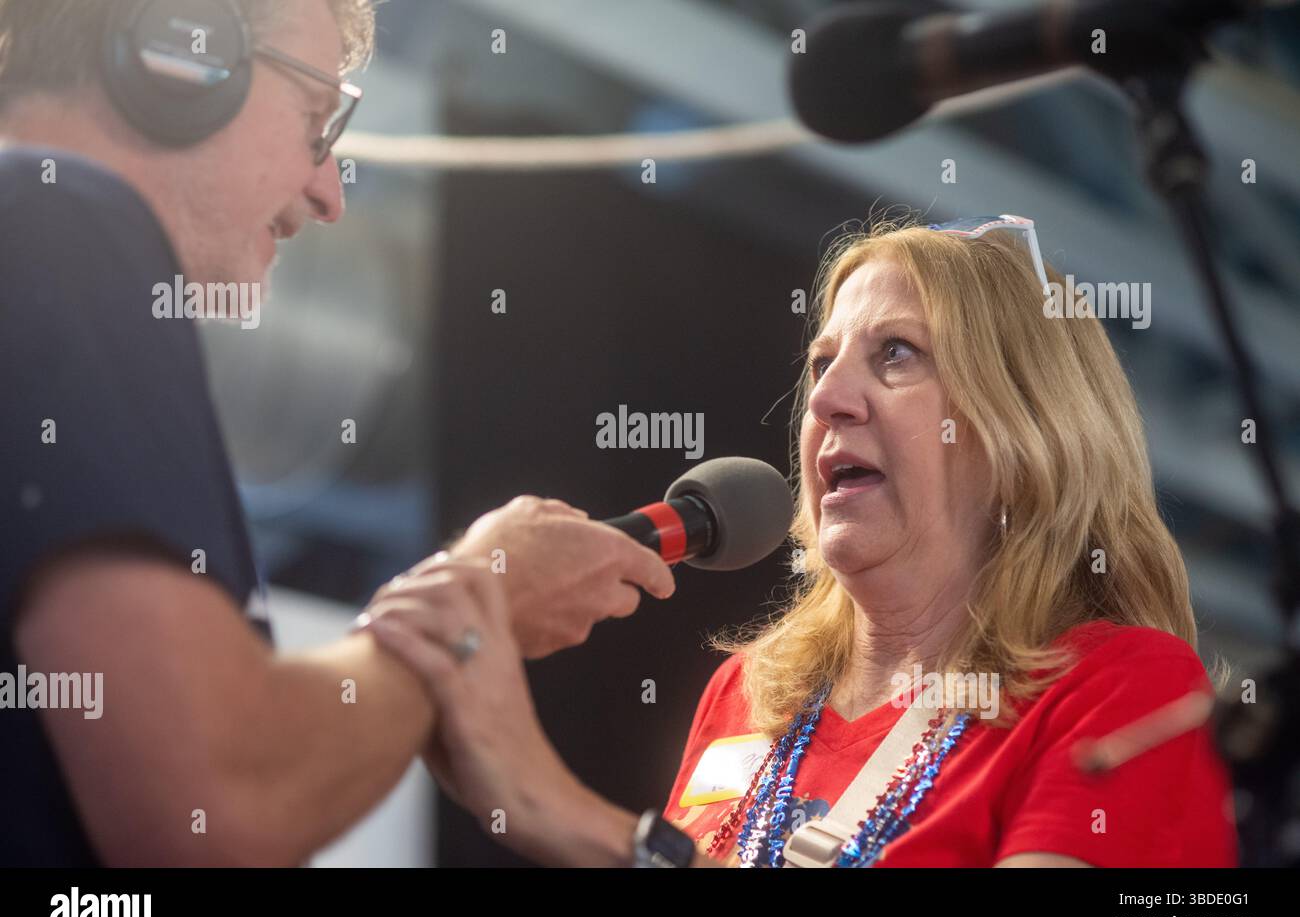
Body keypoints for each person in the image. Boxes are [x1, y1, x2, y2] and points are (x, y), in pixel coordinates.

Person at [0, 0, 674, 866]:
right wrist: (481, 602)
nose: (328, 194)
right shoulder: (66, 223)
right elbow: (223, 804)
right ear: (177, 50)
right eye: (316, 120)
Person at [377, 216, 1239, 868]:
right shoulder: (749, 695)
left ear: (1027, 428)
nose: (828, 398)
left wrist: (560, 812)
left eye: (896, 354)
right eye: (822, 361)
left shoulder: (1127, 692)